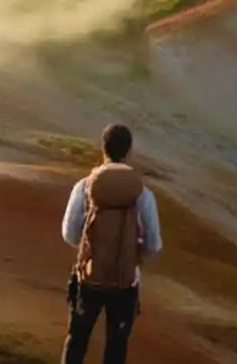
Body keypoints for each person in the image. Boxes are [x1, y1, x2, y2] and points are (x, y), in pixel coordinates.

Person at [60, 123, 162, 364]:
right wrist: (132, 255)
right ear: (129, 152)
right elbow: (154, 244)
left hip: (89, 278)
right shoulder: (142, 194)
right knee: (116, 349)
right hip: (125, 282)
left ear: (103, 149)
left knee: (77, 341)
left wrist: (91, 249)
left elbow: (69, 234)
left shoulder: (84, 187)